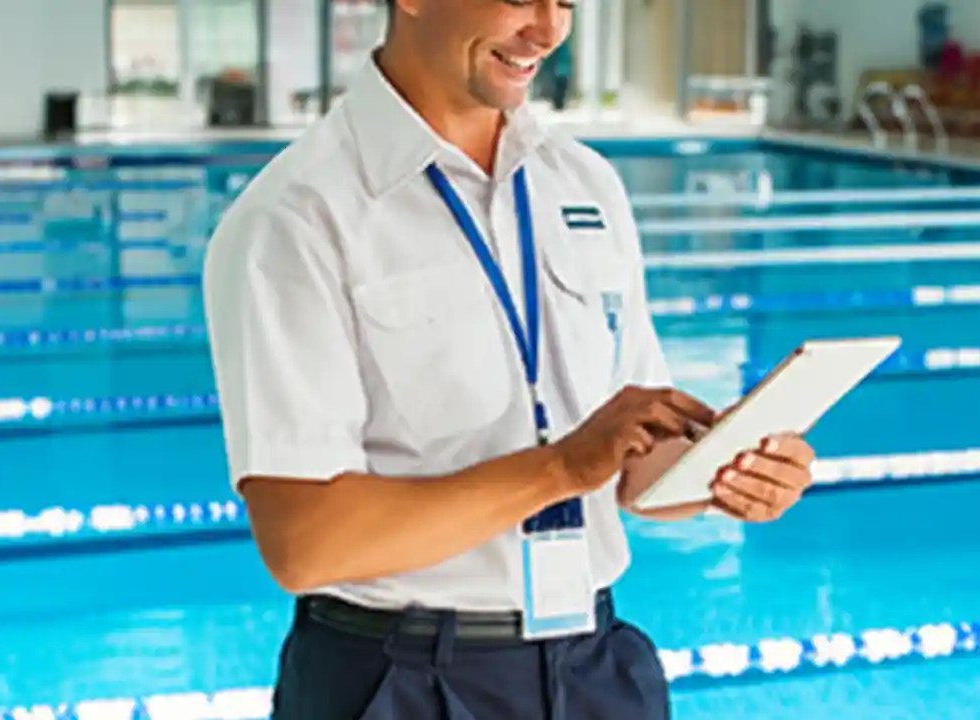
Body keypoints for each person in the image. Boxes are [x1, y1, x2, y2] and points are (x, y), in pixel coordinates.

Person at [202, 0, 817, 716]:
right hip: (399, 680)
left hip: (592, 665)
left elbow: (635, 464)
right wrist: (561, 468)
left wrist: (728, 470)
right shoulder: (297, 217)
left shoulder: (583, 184)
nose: (547, 31)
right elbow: (305, 544)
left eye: (567, 3)